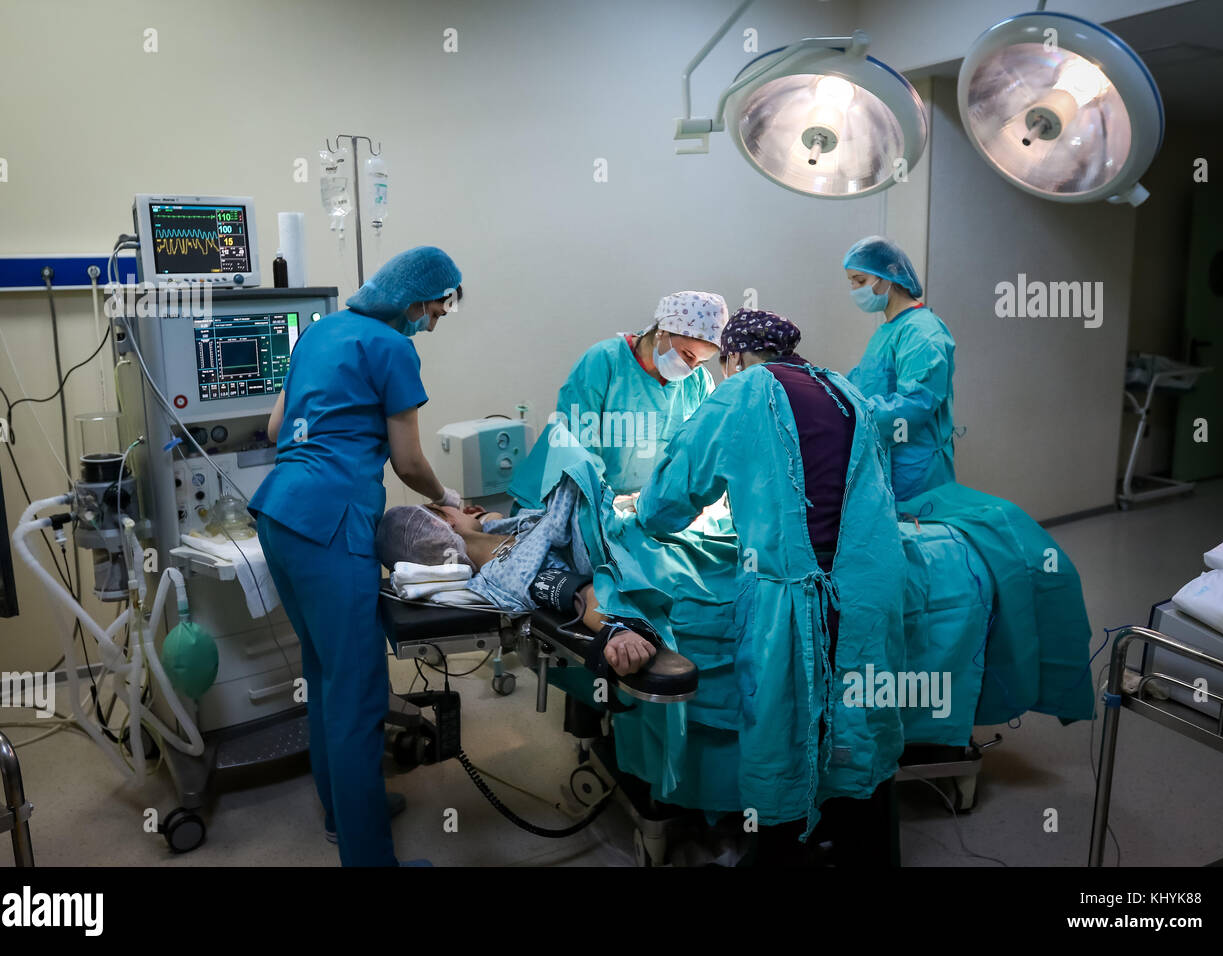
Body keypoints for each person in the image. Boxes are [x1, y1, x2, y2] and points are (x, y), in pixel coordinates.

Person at [634, 308, 907, 865]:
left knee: (783, 730)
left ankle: (781, 852)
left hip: (793, 597)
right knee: (859, 720)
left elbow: (667, 503)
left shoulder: (743, 393)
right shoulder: (842, 388)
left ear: (733, 357)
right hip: (866, 590)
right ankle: (862, 847)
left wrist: (639, 510)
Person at [249, 245, 464, 866]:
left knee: (324, 674)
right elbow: (408, 461)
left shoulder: (318, 334)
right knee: (360, 692)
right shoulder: (395, 349)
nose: (437, 321)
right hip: (330, 522)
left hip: (280, 513)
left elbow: (273, 430)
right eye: (439, 309)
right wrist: (446, 497)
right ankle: (369, 859)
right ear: (417, 299)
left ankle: (345, 814)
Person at [378, 503, 660, 676]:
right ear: (447, 521)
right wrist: (621, 632)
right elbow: (576, 592)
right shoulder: (514, 570)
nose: (463, 507)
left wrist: (484, 518)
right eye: (455, 507)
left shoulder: (489, 536)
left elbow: (495, 521)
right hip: (640, 548)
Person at [553, 291, 727, 494]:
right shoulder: (603, 362)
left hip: (655, 506)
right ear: (662, 331)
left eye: (700, 363)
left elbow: (706, 449)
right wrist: (604, 503)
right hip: (596, 499)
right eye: (687, 355)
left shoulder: (698, 382)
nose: (691, 368)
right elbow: (577, 446)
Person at [843, 236, 957, 501]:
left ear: (887, 277)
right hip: (888, 456)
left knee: (914, 533)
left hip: (915, 466)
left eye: (860, 281)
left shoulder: (922, 331)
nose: (854, 290)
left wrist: (855, 413)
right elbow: (863, 380)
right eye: (851, 282)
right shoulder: (889, 330)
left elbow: (916, 404)